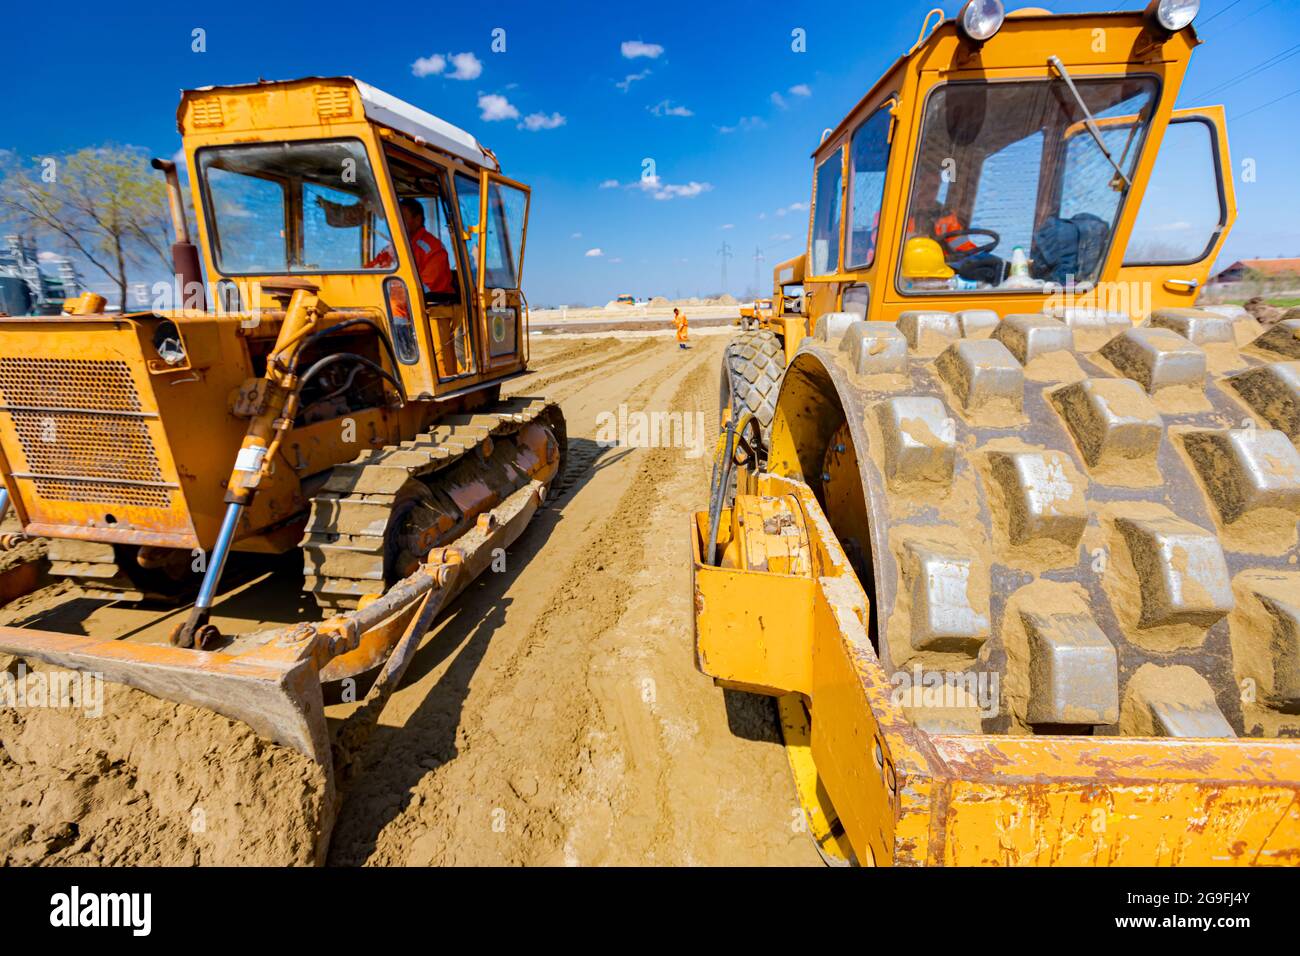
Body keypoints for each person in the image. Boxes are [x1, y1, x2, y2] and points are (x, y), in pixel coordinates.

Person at [368, 198, 454, 296]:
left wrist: (391, 292)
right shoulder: (391, 249)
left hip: (432, 307)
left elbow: (425, 288)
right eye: (395, 217)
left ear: (417, 220)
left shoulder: (433, 248)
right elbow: (368, 273)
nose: (396, 222)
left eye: (402, 217)